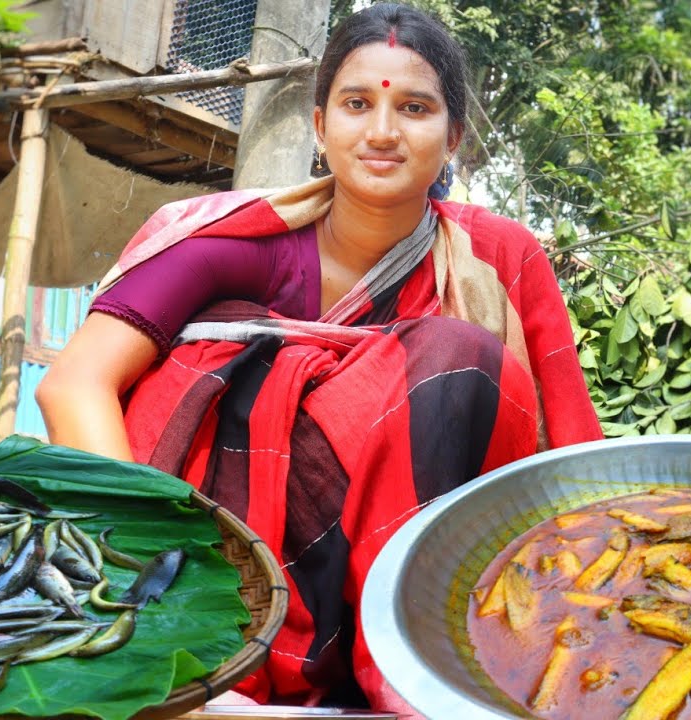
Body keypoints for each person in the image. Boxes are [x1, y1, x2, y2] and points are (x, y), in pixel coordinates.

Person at [36, 2, 602, 712]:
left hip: (398, 594)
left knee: (456, 358)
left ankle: (409, 678)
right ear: (319, 125)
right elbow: (75, 385)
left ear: (453, 136)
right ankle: (209, 662)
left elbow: (566, 457)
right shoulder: (235, 242)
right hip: (197, 569)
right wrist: (147, 577)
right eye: (357, 104)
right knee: (226, 349)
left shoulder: (496, 258)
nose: (383, 132)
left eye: (417, 109)